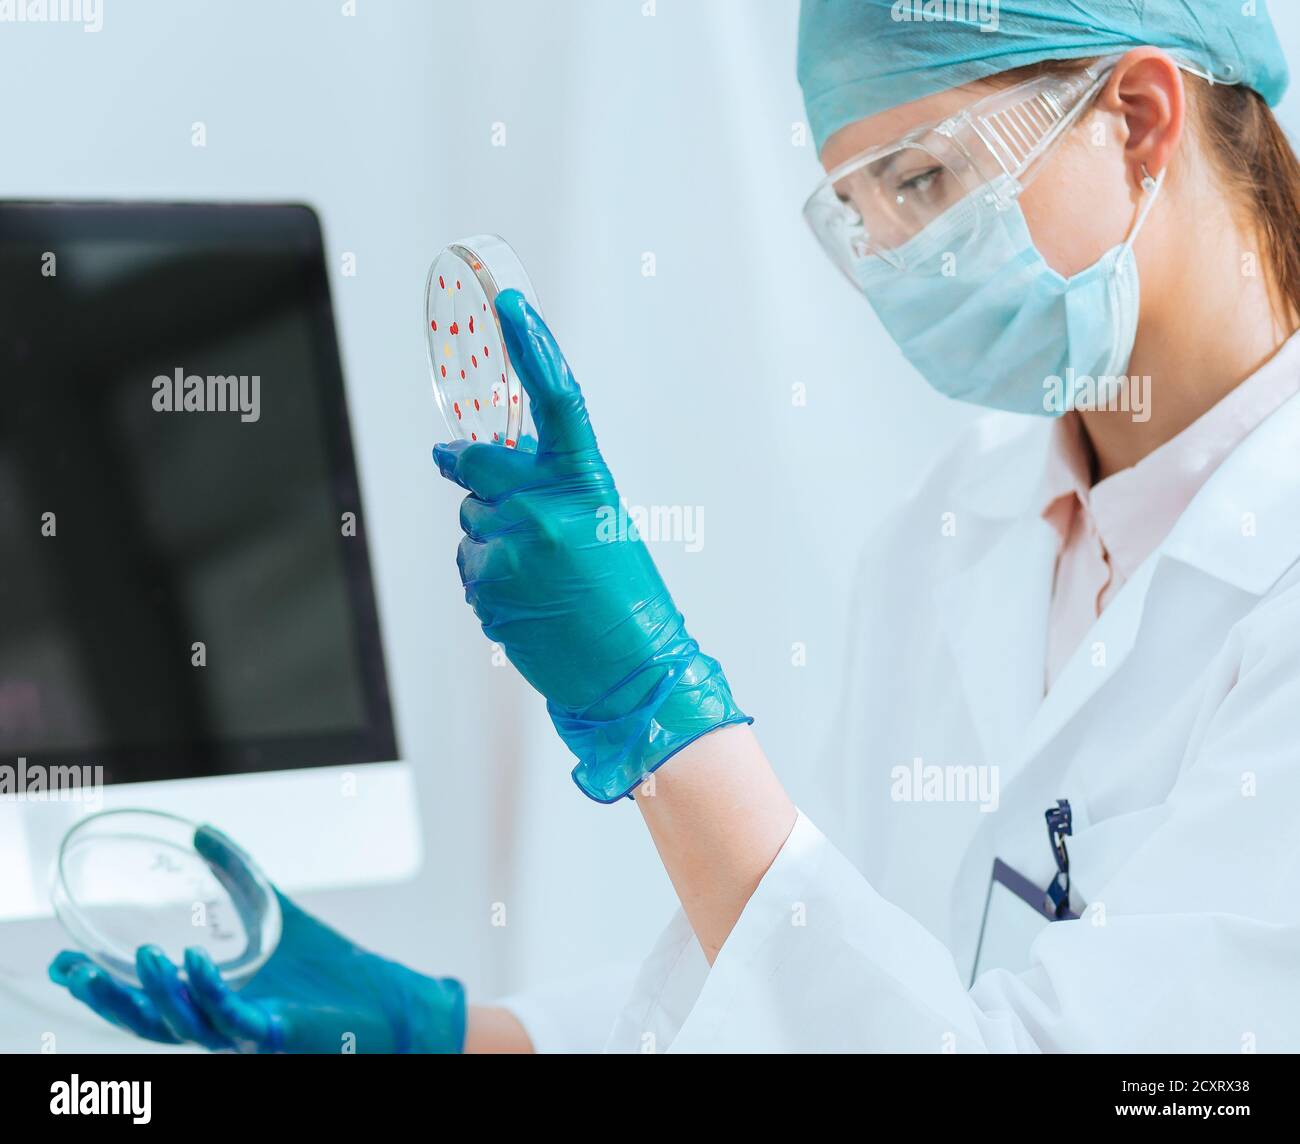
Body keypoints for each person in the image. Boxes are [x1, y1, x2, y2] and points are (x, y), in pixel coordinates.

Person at [53, 0, 1300, 1052]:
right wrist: (456, 1033)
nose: (901, 262)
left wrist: (660, 706)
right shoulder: (949, 531)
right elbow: (828, 973)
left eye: (924, 178)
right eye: (862, 214)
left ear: (1138, 119)